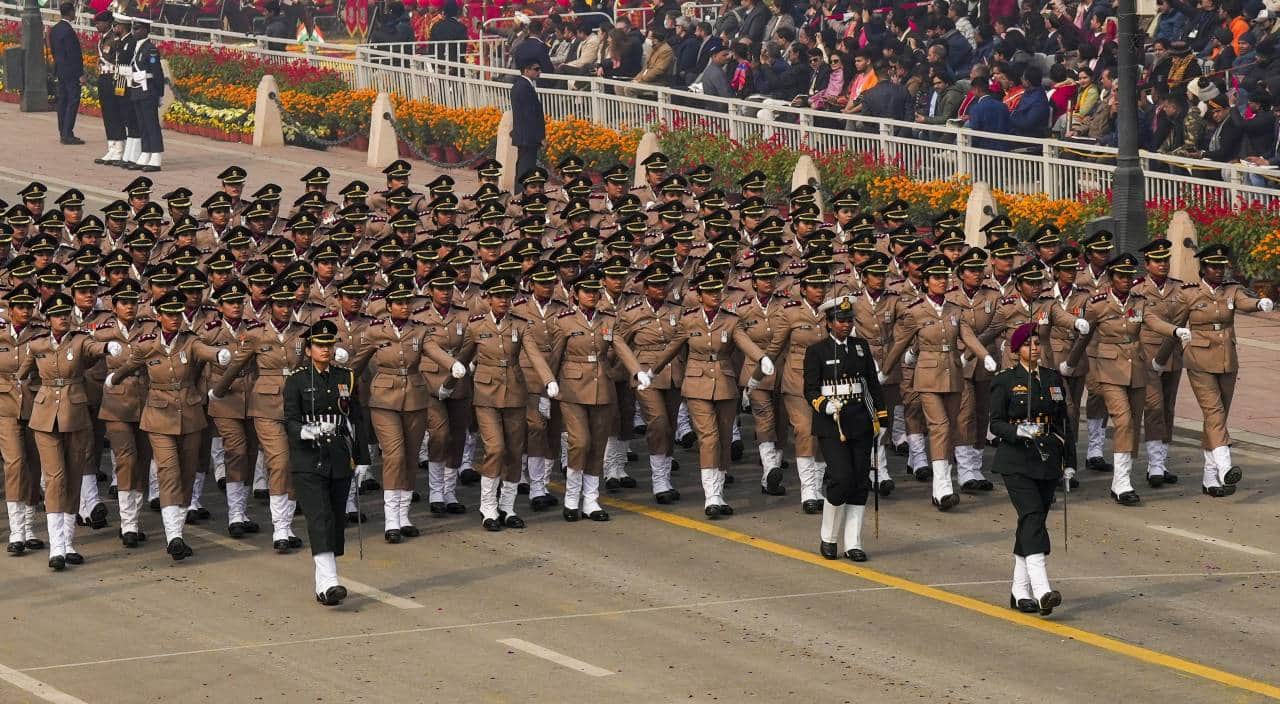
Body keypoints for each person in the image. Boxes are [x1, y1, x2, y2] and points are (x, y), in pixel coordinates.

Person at [106, 291, 227, 562]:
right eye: (169, 314)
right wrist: (114, 379)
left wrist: (219, 354)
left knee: (186, 473)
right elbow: (130, 366)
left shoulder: (190, 342)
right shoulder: (147, 344)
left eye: (178, 313)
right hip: (159, 416)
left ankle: (178, 528)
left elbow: (205, 351)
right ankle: (174, 536)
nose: (174, 318)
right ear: (159, 316)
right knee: (168, 470)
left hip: (190, 416)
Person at [649, 270, 774, 519]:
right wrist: (651, 372)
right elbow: (672, 348)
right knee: (709, 437)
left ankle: (719, 490)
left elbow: (743, 341)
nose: (715, 295)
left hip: (725, 382)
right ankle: (711, 496)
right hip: (696, 384)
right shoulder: (689, 319)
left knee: (725, 438)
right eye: (709, 292)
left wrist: (762, 357)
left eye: (717, 291)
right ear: (700, 295)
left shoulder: (730, 320)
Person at [1161, 243, 1274, 496]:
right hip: (1199, 361)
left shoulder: (1232, 289)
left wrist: (1259, 304)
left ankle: (1209, 478)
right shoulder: (1189, 293)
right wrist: (1161, 359)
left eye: (1222, 266)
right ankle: (1225, 468)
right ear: (1203, 268)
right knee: (1213, 413)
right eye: (1214, 267)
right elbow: (1175, 327)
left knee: (1217, 418)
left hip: (1227, 361)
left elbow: (1244, 302)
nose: (1219, 271)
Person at [453, 274, 556, 530]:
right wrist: (448, 384)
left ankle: (507, 507)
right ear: (488, 298)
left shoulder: (520, 326)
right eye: (498, 296)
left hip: (514, 393)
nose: (503, 301)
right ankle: (488, 507)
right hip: (486, 394)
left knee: (513, 450)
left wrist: (548, 380)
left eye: (508, 296)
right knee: (495, 448)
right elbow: (463, 358)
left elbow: (534, 355)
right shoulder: (476, 326)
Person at [21, 293, 112, 571]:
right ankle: (56, 546)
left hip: (75, 414)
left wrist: (108, 347)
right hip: (46, 416)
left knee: (73, 475)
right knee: (55, 477)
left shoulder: (80, 339)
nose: (63, 317)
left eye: (66, 313)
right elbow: (24, 375)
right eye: (57, 314)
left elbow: (94, 349)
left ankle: (69, 543)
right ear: (47, 318)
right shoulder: (37, 345)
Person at [283, 320, 371, 606]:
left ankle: (323, 587)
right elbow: (291, 419)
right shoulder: (296, 380)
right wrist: (305, 431)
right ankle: (332, 580)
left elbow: (355, 418)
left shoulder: (345, 377)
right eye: (319, 345)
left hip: (338, 455)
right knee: (319, 517)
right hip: (309, 456)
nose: (325, 350)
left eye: (329, 345)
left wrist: (362, 458)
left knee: (334, 518)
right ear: (308, 350)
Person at [988, 323, 1067, 617]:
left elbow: (1064, 423)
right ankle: (1043, 589)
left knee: (1031, 522)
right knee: (1032, 516)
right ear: (1016, 351)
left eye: (1037, 343)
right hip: (1017, 460)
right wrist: (1017, 432)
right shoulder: (1006, 381)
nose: (1034, 347)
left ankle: (1019, 591)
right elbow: (995, 422)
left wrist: (1068, 462)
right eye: (1027, 344)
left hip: (1047, 459)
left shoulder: (1051, 378)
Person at [807, 296, 887, 562]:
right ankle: (829, 537)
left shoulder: (861, 347)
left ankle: (853, 542)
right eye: (840, 321)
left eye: (849, 320)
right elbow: (809, 389)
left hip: (860, 419)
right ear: (829, 323)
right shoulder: (817, 350)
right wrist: (822, 405)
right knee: (841, 478)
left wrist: (882, 419)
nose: (845, 325)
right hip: (832, 423)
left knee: (860, 481)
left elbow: (872, 385)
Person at [125, 16, 164, 172]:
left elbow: (157, 73)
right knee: (142, 124)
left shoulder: (151, 49)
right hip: (137, 89)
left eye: (137, 28)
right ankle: (146, 152)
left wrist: (159, 93)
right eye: (133, 28)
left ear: (146, 30)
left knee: (151, 124)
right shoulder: (138, 47)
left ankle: (156, 155)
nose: (134, 31)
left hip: (148, 91)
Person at [49, 2, 85, 146]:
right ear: (70, 12)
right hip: (71, 72)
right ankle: (67, 133)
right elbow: (73, 55)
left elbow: (53, 50)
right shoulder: (68, 31)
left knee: (63, 101)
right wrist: (80, 73)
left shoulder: (55, 29)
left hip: (61, 70)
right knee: (73, 101)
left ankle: (62, 131)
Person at [511, 60, 546, 185]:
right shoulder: (524, 87)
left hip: (524, 136)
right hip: (527, 137)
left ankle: (522, 193)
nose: (539, 72)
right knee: (525, 168)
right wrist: (540, 136)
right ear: (526, 70)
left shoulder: (522, 85)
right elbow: (530, 115)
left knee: (524, 167)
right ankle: (522, 195)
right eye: (536, 69)